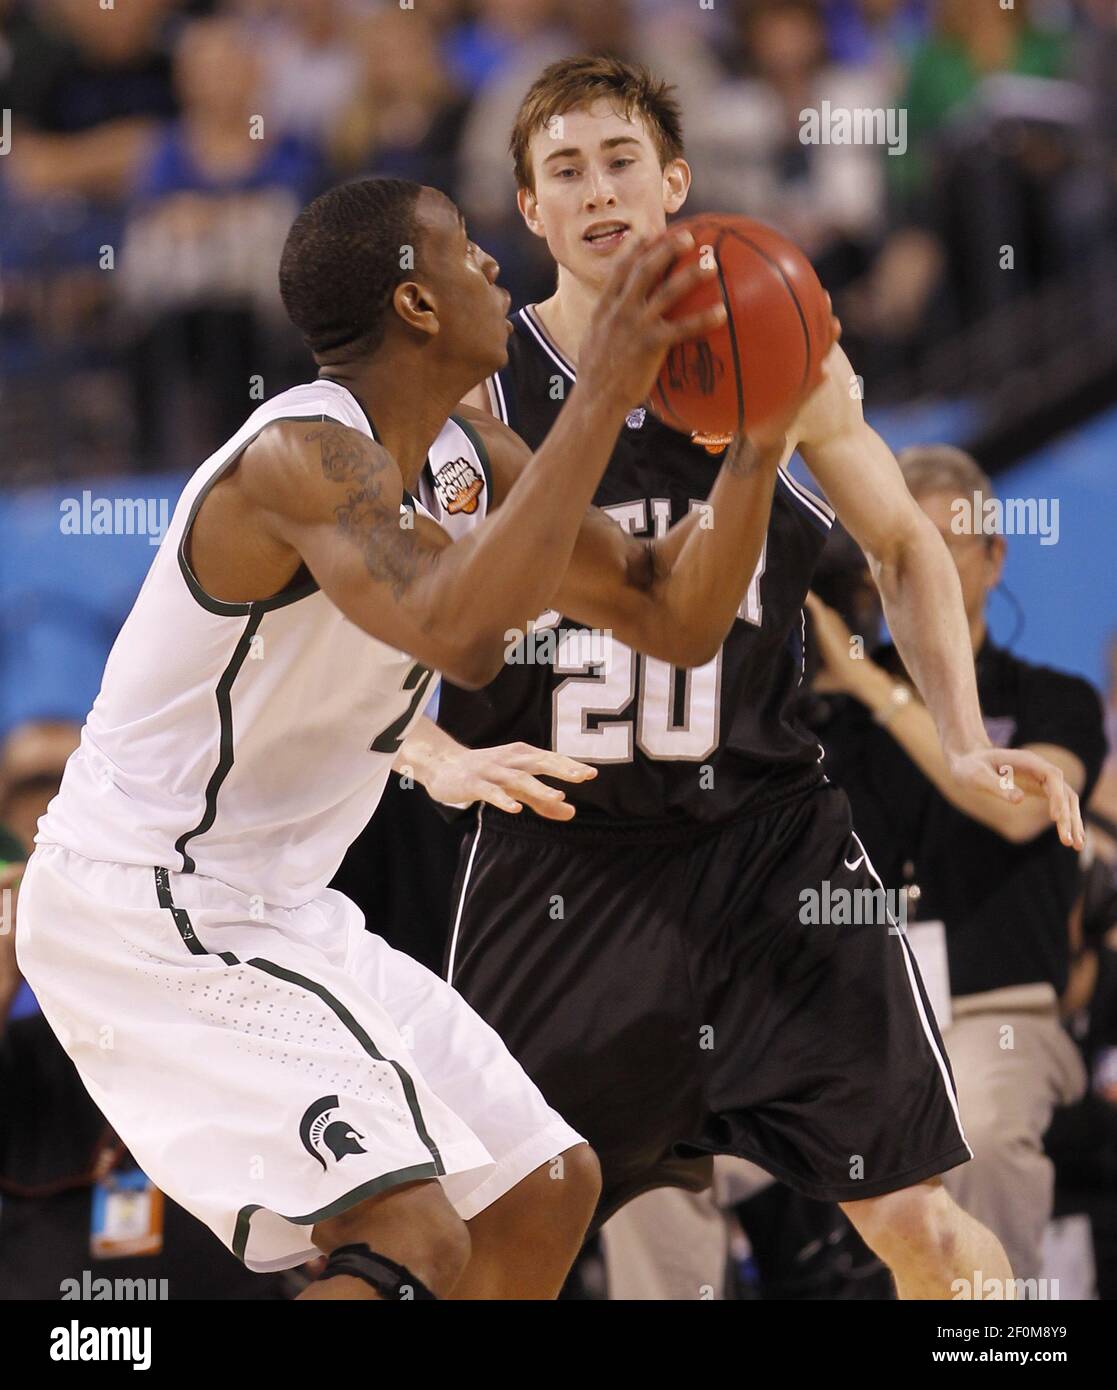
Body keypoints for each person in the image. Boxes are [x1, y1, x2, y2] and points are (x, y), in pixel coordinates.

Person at [17, 173, 803, 1301]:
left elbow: (671, 615)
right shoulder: (300, 457)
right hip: (149, 900)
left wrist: (758, 443)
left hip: (272, 906)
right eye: (467, 250)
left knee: (543, 1187)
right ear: (416, 305)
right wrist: (606, 392)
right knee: (411, 1233)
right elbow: (460, 635)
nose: (493, 266)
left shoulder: (471, 460)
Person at [409, 55, 1084, 1300]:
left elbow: (902, 545)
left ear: (673, 182)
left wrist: (958, 732)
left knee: (921, 1224)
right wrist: (433, 750)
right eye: (566, 170)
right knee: (486, 1255)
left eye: (620, 160)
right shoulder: (479, 389)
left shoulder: (783, 345)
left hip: (769, 847)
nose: (598, 188)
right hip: (563, 861)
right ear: (531, 210)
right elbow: (373, 621)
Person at [805, 444, 1108, 1286]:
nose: (910, 567)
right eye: (889, 548)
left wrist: (882, 692)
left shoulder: (1054, 699)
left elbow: (1015, 813)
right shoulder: (822, 715)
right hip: (860, 1011)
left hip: (996, 1010)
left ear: (994, 555)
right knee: (686, 1149)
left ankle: (992, 1343)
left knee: (977, 1124)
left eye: (938, 543)